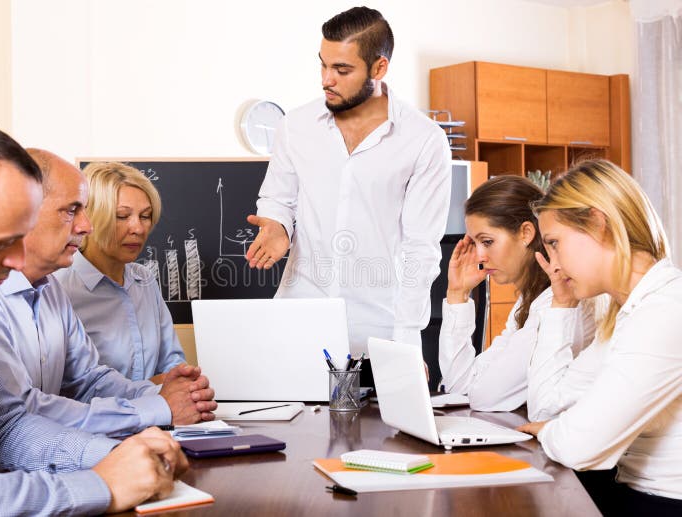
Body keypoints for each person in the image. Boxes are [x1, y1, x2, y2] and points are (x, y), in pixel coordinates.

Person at [0, 120, 187, 514]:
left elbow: (3, 428)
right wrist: (99, 485)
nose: (16, 260)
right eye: (2, 243)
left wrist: (120, 457)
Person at [245, 6, 452, 364]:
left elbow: (421, 248)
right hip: (298, 319)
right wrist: (278, 225)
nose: (327, 79)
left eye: (342, 70)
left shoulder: (424, 140)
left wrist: (406, 340)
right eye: (323, 65)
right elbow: (277, 198)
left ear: (379, 68)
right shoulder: (296, 126)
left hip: (379, 331)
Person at [0, 149, 215, 438]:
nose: (86, 226)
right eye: (71, 211)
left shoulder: (49, 290)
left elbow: (89, 380)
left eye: (145, 216)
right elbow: (22, 411)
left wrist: (173, 395)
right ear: (23, 212)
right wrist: (159, 407)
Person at [518, 160, 682, 515]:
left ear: (597, 223)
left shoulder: (665, 311)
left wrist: (552, 430)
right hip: (630, 492)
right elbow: (547, 408)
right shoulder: (626, 313)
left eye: (555, 243)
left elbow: (578, 445)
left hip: (661, 503)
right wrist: (562, 305)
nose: (553, 264)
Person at [438, 176, 596, 411]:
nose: (479, 256)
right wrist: (457, 294)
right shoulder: (529, 300)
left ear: (526, 233)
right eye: (475, 243)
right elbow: (460, 386)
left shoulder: (554, 301)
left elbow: (486, 397)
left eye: (487, 242)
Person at [55, 161, 185, 384]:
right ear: (88, 218)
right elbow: (70, 388)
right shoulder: (59, 288)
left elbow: (171, 361)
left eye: (145, 216)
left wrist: (184, 381)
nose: (138, 228)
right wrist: (152, 390)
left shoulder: (144, 280)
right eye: (122, 216)